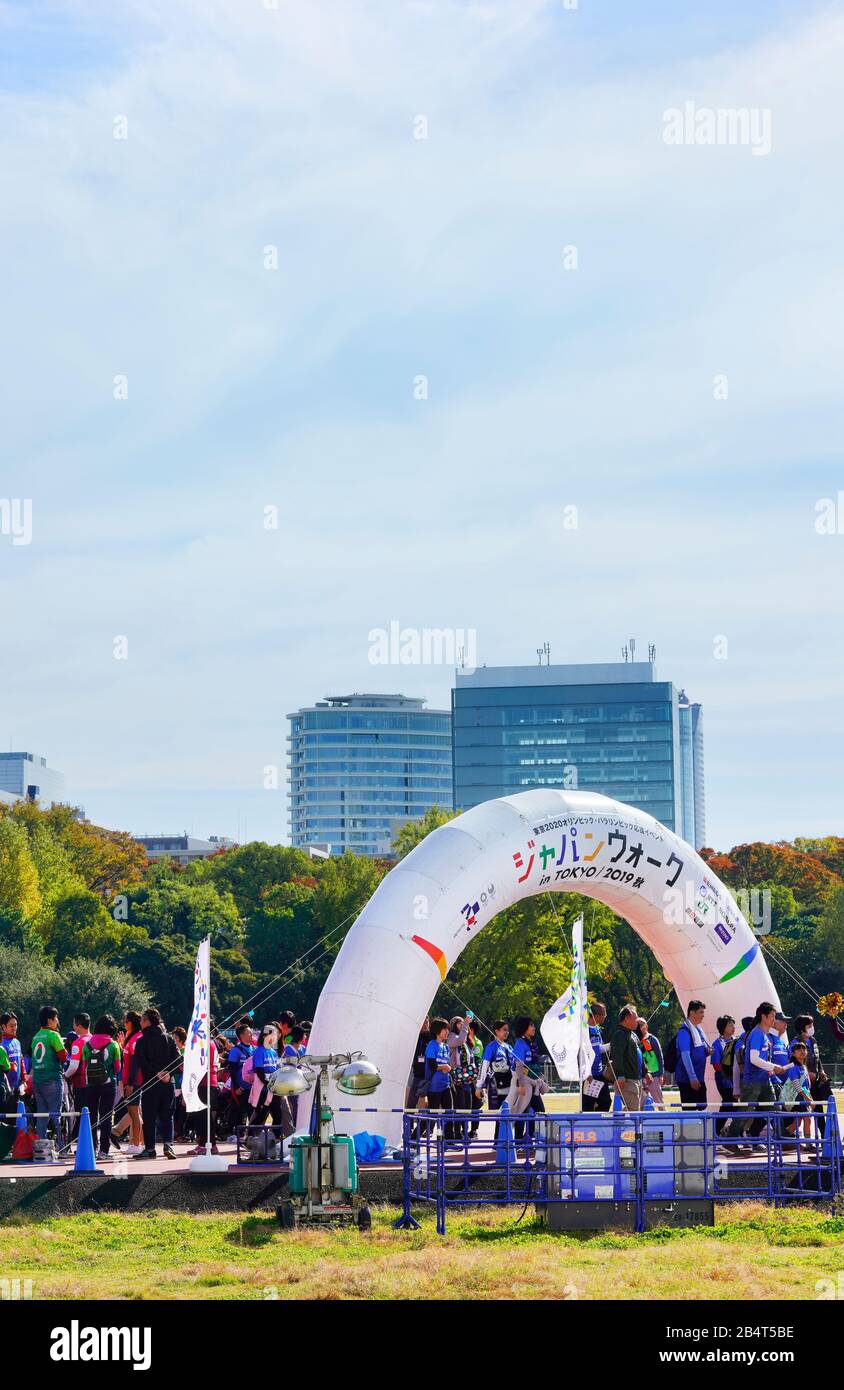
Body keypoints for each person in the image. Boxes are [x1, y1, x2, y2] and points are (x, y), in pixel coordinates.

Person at [727, 1001, 787, 1145]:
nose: (774, 1019)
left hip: (764, 1080)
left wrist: (770, 1069)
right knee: (745, 1111)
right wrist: (773, 1066)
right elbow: (754, 1059)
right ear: (763, 1016)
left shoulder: (763, 1034)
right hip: (753, 1081)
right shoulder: (757, 1035)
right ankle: (730, 1139)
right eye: (772, 1016)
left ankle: (783, 1140)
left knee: (775, 1109)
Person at [130, 1008, 181, 1160]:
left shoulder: (141, 1040)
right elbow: (178, 1059)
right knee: (167, 1115)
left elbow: (141, 1062)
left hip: (150, 1083)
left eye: (141, 1020)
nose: (140, 1022)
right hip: (168, 1083)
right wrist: (168, 1073)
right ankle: (168, 1145)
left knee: (150, 1117)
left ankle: (150, 1148)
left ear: (147, 1021)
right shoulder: (169, 1038)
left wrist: (156, 1074)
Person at [82, 1015, 122, 1161]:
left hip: (90, 1084)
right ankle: (104, 1151)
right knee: (106, 1117)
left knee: (91, 1116)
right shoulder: (113, 1045)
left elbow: (84, 1067)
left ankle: (92, 1148)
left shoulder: (87, 1045)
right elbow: (117, 1068)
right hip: (108, 1084)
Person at [30, 1006, 68, 1144]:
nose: (57, 1021)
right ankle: (62, 1145)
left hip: (38, 1081)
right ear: (49, 1020)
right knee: (55, 1114)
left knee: (42, 1115)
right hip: (52, 1079)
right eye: (56, 1018)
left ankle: (41, 1145)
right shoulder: (53, 1035)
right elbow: (63, 1056)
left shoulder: (35, 1037)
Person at [111, 1011, 144, 1154]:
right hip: (129, 1080)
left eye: (125, 1021)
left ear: (131, 1023)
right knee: (135, 1112)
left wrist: (130, 1083)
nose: (124, 1023)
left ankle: (135, 1144)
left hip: (135, 1081)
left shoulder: (137, 1038)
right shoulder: (131, 1038)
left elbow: (135, 1063)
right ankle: (137, 1143)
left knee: (134, 1112)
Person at [476, 1020, 515, 1138]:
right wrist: (479, 1086)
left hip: (511, 1085)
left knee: (509, 1113)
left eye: (507, 1030)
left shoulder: (509, 1047)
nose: (506, 1032)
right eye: (504, 1030)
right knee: (502, 1113)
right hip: (498, 1086)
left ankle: (505, 1139)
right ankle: (498, 1141)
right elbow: (484, 1067)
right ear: (496, 1031)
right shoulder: (491, 1047)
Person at [510, 1016, 548, 1140]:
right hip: (524, 1082)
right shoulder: (520, 1043)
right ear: (524, 1028)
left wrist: (540, 1078)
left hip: (533, 1082)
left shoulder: (531, 1043)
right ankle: (519, 1141)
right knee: (522, 1112)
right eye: (531, 1025)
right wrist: (521, 1085)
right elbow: (519, 1065)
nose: (533, 1028)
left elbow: (534, 1063)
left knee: (539, 1111)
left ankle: (531, 1136)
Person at [793, 1012, 830, 1136]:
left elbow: (817, 1059)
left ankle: (825, 1138)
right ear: (802, 1027)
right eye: (809, 1025)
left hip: (816, 1083)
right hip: (803, 1084)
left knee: (819, 1111)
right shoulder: (796, 1042)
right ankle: (791, 1138)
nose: (812, 1027)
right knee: (803, 1114)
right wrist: (807, 1073)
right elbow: (793, 1061)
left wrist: (822, 1071)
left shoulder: (813, 1041)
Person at [673, 1001, 711, 1111]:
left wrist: (707, 1051)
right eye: (700, 1012)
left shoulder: (698, 1030)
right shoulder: (684, 1031)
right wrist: (692, 1077)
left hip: (699, 1077)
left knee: (702, 1106)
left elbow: (698, 1051)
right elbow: (685, 1055)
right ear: (692, 1013)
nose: (703, 1015)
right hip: (687, 1080)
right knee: (690, 1112)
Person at [64, 1012, 92, 1149]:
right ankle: (93, 1146)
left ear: (79, 1026)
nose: (73, 1027)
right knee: (92, 1115)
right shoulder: (94, 1040)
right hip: (96, 1083)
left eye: (74, 1024)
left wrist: (65, 1075)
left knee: (81, 1115)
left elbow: (73, 1066)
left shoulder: (78, 1043)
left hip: (80, 1084)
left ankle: (79, 1145)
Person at [424, 1018, 455, 1141]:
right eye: (444, 1029)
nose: (447, 1031)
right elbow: (432, 1065)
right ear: (437, 1031)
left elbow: (447, 1065)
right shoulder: (432, 1045)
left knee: (449, 1112)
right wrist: (444, 1067)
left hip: (445, 1084)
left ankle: (449, 1140)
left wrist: (448, 1068)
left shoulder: (446, 1046)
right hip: (434, 1086)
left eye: (448, 1029)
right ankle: (413, 1137)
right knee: (433, 1113)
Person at [779, 1040, 813, 1145]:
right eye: (798, 1049)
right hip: (796, 1097)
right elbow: (796, 1084)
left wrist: (809, 1096)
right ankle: (808, 1144)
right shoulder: (794, 1067)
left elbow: (806, 1085)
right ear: (793, 1053)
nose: (802, 1051)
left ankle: (782, 1139)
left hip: (802, 1096)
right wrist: (806, 1098)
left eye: (804, 1049)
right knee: (807, 1119)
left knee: (797, 1122)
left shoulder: (804, 1067)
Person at [227, 1022, 256, 1136]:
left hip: (253, 1088)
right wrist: (236, 1086)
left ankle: (252, 1137)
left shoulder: (254, 1049)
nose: (251, 1034)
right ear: (242, 1035)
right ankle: (238, 1136)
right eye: (249, 1032)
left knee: (252, 1113)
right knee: (239, 1114)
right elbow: (232, 1070)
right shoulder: (235, 1051)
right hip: (241, 1089)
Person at [582, 1003, 612, 1112]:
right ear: (597, 1015)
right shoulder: (584, 1030)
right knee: (588, 1105)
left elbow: (597, 1048)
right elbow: (583, 1052)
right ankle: (588, 1127)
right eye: (604, 1014)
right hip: (589, 1075)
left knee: (606, 1101)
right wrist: (587, 1072)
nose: (605, 1016)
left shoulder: (597, 1029)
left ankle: (599, 1124)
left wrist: (610, 1046)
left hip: (599, 1073)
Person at [711, 1015, 737, 1135]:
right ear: (723, 1028)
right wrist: (728, 1074)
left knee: (728, 1106)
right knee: (730, 1105)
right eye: (730, 1025)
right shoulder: (717, 1044)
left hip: (735, 1081)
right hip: (724, 1081)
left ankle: (717, 1131)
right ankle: (721, 1131)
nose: (733, 1027)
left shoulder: (736, 1042)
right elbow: (716, 1065)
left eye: (733, 1024)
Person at [636, 1018, 665, 1107]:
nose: (640, 1027)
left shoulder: (652, 1039)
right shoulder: (634, 1040)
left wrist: (661, 1074)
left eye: (642, 1025)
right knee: (638, 1104)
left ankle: (666, 1120)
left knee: (659, 1102)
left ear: (646, 1026)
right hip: (640, 1077)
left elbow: (660, 1057)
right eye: (638, 1025)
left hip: (654, 1076)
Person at [0, 1013, 25, 1114]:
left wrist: (23, 1080)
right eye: (11, 1025)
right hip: (4, 1089)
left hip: (16, 1088)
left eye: (16, 1025)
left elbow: (21, 1061)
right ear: (3, 1027)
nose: (14, 1028)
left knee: (14, 1119)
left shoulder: (17, 1042)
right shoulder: (1, 1043)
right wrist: (9, 1065)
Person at [406, 1016, 431, 1114]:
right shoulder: (414, 1036)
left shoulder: (432, 1037)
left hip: (430, 1074)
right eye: (423, 1021)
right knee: (411, 1102)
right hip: (417, 1074)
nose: (426, 1024)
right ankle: (409, 1125)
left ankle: (425, 1127)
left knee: (433, 1103)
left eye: (427, 1021)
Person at [768, 1012, 790, 1098]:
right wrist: (774, 1079)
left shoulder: (781, 1041)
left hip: (784, 1085)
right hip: (773, 1085)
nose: (786, 1024)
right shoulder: (768, 1038)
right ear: (774, 1022)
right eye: (783, 1021)